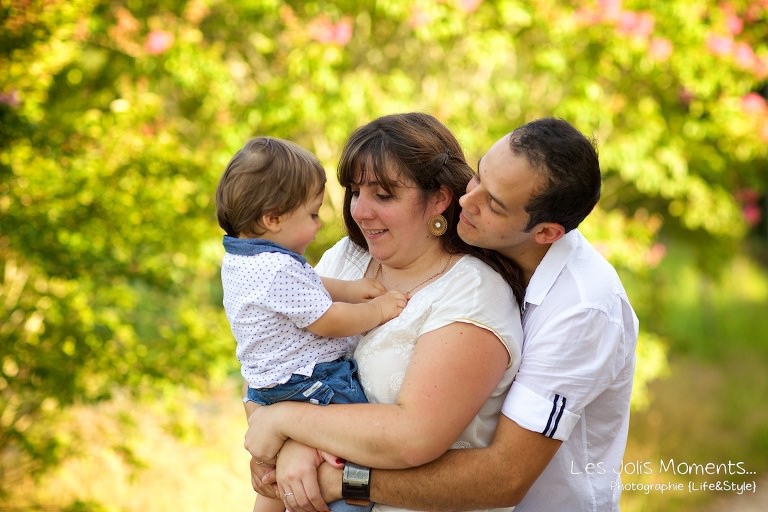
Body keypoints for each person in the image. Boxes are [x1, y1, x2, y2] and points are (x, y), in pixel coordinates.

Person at [255, 117, 639, 512]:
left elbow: (504, 476)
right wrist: (289, 448)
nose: (465, 201)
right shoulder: (358, 255)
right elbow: (278, 358)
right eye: (479, 176)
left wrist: (337, 475)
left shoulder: (581, 310)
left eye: (493, 203)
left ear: (545, 233)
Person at [242, 113, 526, 512]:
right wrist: (283, 449)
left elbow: (413, 437)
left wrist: (282, 424)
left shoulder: (473, 293)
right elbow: (269, 357)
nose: (360, 210)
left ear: (439, 198)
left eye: (383, 195)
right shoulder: (345, 257)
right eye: (355, 191)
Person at [215, 136, 409, 512]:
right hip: (312, 383)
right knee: (355, 449)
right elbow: (328, 320)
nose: (319, 225)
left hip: (267, 386)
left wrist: (350, 289)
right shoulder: (277, 268)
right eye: (312, 215)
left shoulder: (244, 259)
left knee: (273, 483)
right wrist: (379, 310)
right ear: (272, 219)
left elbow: (306, 286)